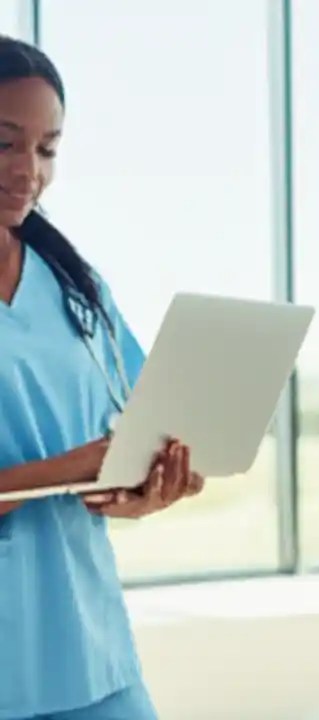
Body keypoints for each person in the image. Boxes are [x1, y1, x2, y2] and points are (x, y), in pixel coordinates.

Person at [0, 38, 203, 719]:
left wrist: (140, 488)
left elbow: (131, 426)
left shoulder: (75, 287)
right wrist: (68, 468)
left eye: (47, 148)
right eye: (5, 143)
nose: (29, 170)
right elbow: (79, 460)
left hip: (88, 652)